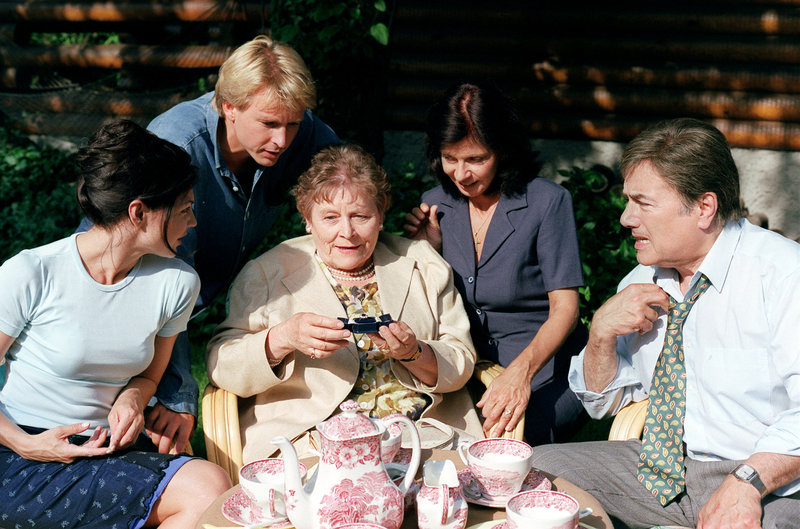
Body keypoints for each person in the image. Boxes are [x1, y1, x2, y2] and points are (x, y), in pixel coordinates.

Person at [530, 118, 800, 529]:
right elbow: (604, 404)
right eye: (627, 201)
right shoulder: (641, 280)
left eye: (643, 203)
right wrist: (600, 333)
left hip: (769, 479)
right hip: (664, 470)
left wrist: (746, 483)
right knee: (533, 472)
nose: (625, 218)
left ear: (703, 208)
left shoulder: (783, 275)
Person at [77, 35, 340, 454]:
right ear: (229, 107)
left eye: (293, 123)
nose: (284, 139)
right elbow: (161, 278)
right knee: (115, 436)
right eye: (270, 124)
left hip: (184, 293)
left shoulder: (297, 128)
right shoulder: (177, 147)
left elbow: (347, 178)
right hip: (115, 299)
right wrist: (180, 397)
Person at [0, 120, 231, 528]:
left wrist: (132, 400)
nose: (193, 222)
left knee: (208, 487)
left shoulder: (177, 283)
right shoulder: (33, 272)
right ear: (139, 212)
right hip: (18, 451)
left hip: (105, 451)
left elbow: (147, 377)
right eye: (184, 210)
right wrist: (27, 444)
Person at [206, 144, 484, 461]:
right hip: (312, 442)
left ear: (380, 216)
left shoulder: (423, 264)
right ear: (307, 220)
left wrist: (414, 352)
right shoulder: (266, 273)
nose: (347, 232)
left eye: (360, 216)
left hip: (420, 436)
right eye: (330, 217)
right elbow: (221, 364)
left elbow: (461, 359)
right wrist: (282, 338)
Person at [404, 81, 588, 444]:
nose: (461, 173)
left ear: (503, 150)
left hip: (546, 368)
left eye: (476, 159)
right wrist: (427, 253)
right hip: (466, 367)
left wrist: (520, 374)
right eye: (450, 158)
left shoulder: (547, 202)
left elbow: (566, 309)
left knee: (503, 446)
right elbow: (423, 305)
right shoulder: (436, 204)